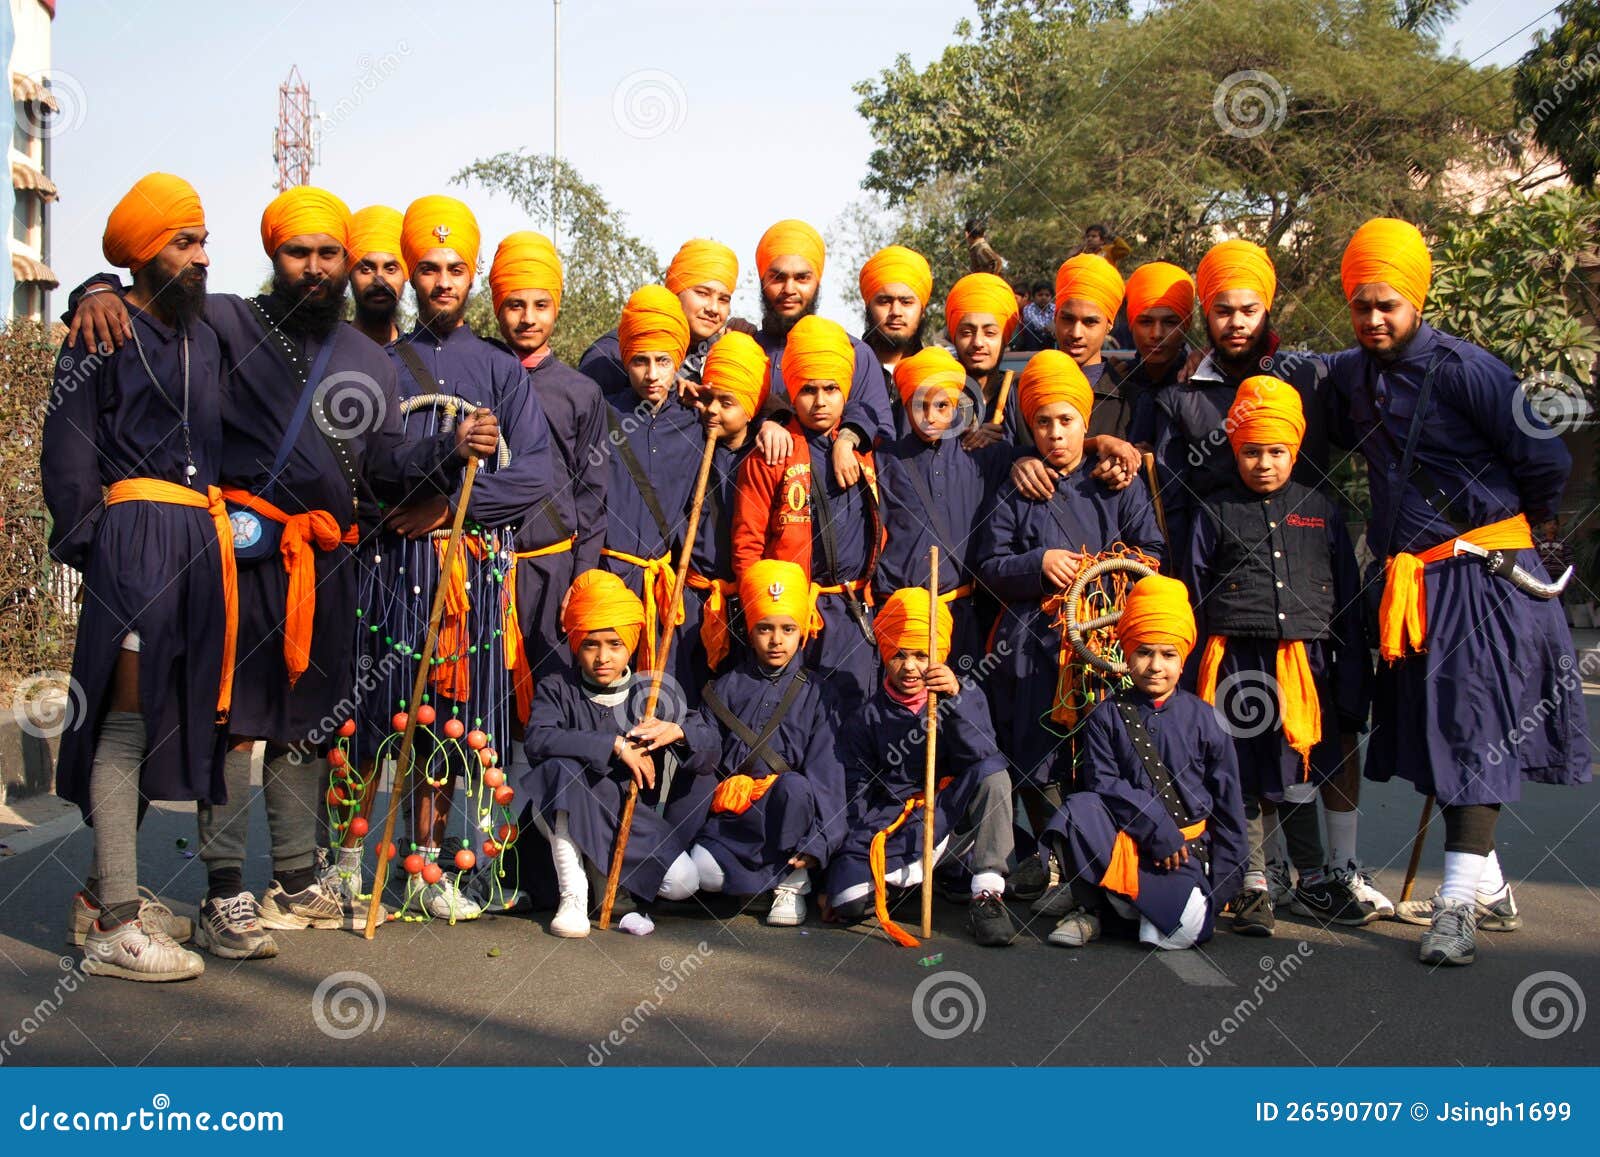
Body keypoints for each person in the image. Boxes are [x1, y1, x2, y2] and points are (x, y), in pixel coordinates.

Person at [64, 185, 492, 957]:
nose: (318, 269)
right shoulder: (225, 318)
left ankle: (294, 882)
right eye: (301, 253)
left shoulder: (372, 357)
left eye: (331, 254)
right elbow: (147, 299)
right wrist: (93, 287)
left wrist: (451, 446)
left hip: (325, 562)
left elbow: (389, 462)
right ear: (273, 255)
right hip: (231, 555)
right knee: (231, 721)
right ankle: (224, 891)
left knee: (306, 725)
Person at [1327, 217, 1591, 966]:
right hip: (1413, 588)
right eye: (1361, 306)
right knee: (1435, 736)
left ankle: (1455, 907)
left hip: (1483, 581)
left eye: (1387, 305)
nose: (1374, 319)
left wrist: (1507, 529)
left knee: (1472, 734)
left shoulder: (1473, 370)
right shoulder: (1355, 373)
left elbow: (1544, 461)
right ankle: (1494, 887)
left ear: (1415, 299)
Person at [356, 196, 556, 923]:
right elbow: (370, 464)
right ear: (411, 274)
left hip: (471, 571)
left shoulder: (502, 369)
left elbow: (537, 474)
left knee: (456, 717)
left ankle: (440, 864)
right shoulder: (376, 363)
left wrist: (451, 509)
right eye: (430, 268)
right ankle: (355, 865)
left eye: (457, 269)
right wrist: (443, 453)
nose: (444, 281)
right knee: (388, 717)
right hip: (394, 571)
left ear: (474, 276)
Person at [45, 173, 224, 981]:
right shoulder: (97, 331)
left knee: (164, 716)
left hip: (198, 536)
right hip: (136, 537)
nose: (200, 255)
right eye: (184, 242)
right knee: (126, 712)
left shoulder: (208, 333)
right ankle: (115, 926)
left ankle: (101, 890)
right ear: (146, 250)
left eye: (202, 239)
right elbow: (68, 452)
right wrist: (103, 543)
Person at [1184, 377, 1378, 936]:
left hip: (1303, 668)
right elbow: (1193, 594)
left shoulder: (1321, 511)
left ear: (1294, 450)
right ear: (1234, 449)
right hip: (1233, 664)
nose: (1263, 463)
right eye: (1251, 451)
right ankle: (1253, 884)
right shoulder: (1215, 511)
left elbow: (1344, 596)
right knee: (1240, 771)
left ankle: (1312, 877)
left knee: (1297, 766)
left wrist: (1347, 676)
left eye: (1276, 452)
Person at [977, 351, 1164, 905]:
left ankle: (1102, 857)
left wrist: (1106, 579)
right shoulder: (1017, 487)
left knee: (1102, 748)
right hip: (1032, 645)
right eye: (1043, 422)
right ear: (1028, 425)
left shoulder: (1117, 483)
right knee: (1037, 750)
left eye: (1067, 421)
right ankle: (1052, 854)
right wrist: (1037, 564)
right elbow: (988, 566)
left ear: (1088, 423)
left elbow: (1150, 553)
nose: (1056, 434)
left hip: (1104, 647)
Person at [1040, 575, 1247, 950]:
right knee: (1079, 808)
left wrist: (1220, 890)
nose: (1155, 666)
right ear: (1127, 654)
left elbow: (1230, 808)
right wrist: (1155, 830)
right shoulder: (1106, 716)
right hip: (1130, 842)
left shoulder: (1207, 719)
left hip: (1184, 855)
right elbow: (1104, 785)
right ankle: (1093, 909)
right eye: (1144, 652)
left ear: (1183, 661)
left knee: (1166, 935)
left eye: (1168, 655)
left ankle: (1125, 910)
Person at [517, 570, 717, 938]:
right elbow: (538, 740)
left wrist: (679, 730)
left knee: (683, 882)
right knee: (560, 769)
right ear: (576, 643)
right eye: (591, 644)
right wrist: (614, 745)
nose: (602, 657)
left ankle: (605, 878)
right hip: (563, 809)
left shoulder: (652, 692)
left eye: (614, 643)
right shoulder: (557, 686)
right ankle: (574, 894)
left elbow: (710, 747)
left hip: (624, 817)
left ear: (630, 642)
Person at [826, 587, 1018, 947]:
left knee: (993, 774)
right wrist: (848, 847)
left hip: (951, 813)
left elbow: (980, 754)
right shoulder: (866, 717)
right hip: (897, 821)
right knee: (846, 900)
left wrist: (955, 699)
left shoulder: (964, 693)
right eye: (899, 655)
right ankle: (909, 880)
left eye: (921, 655)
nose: (910, 666)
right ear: (886, 655)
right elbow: (856, 791)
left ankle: (987, 892)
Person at [682, 560, 846, 926]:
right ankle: (754, 883)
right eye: (765, 629)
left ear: (801, 630)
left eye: (788, 629)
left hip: (792, 815)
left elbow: (828, 778)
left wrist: (819, 843)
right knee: (698, 877)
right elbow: (707, 750)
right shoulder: (723, 686)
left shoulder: (820, 694)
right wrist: (684, 734)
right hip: (736, 820)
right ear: (749, 629)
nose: (776, 640)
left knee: (797, 787)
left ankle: (792, 883)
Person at [733, 316, 885, 704]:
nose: (820, 401)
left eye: (831, 389)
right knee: (792, 717)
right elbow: (747, 545)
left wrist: (849, 438)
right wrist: (768, 612)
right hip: (790, 615)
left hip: (853, 610)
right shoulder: (771, 453)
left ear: (845, 391)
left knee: (850, 719)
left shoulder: (866, 449)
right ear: (791, 392)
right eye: (808, 390)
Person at [1150, 239, 1333, 554]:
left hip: (1308, 566)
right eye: (1223, 311)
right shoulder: (1180, 399)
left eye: (1249, 311)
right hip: (1218, 573)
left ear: (1266, 310)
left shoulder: (1308, 379)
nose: (1237, 323)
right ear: (1206, 314)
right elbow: (1173, 503)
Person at [487, 230, 609, 690]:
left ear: (556, 306)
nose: (527, 319)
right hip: (484, 565)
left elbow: (593, 493)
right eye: (515, 305)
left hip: (554, 568)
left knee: (552, 690)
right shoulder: (480, 376)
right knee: (482, 691)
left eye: (540, 305)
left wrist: (581, 577)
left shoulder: (580, 392)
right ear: (498, 306)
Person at [597, 284, 708, 700]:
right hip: (611, 582)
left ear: (679, 360)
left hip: (669, 590)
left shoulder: (697, 425)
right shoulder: (602, 414)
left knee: (667, 702)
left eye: (663, 361)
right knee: (610, 698)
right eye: (640, 361)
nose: (652, 374)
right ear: (626, 361)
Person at [875, 347, 1009, 666]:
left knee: (960, 706)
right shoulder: (883, 461)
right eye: (920, 405)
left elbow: (1044, 458)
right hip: (900, 617)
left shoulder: (981, 458)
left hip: (960, 616)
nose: (931, 416)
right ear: (905, 405)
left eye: (941, 405)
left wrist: (1098, 441)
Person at [750, 219, 896, 488]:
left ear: (817, 282)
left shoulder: (854, 354)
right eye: (778, 277)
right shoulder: (744, 352)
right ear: (762, 280)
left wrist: (846, 438)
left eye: (802, 278)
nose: (790, 289)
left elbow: (881, 433)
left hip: (840, 509)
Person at [685, 331, 770, 677]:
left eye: (728, 402)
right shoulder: (689, 441)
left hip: (748, 600)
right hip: (691, 594)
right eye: (709, 399)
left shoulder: (766, 455)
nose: (713, 411)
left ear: (751, 410)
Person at [580, 238, 742, 391]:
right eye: (702, 293)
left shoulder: (707, 353)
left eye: (723, 299)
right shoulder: (610, 355)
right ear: (674, 292)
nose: (713, 308)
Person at [1117, 261, 1195, 451]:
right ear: (1131, 324)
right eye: (1145, 322)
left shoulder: (1200, 385)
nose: (1157, 334)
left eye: (1170, 322)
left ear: (1186, 325)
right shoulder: (1119, 381)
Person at [858, 244, 932, 433]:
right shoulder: (846, 368)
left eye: (906, 302)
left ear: (922, 311)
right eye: (885, 301)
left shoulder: (939, 375)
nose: (896, 312)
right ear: (868, 307)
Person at [944, 272, 1022, 449]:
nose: (978, 342)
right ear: (954, 337)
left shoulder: (1021, 396)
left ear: (1005, 338)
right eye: (966, 333)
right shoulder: (938, 396)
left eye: (990, 333)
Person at [346, 204, 406, 347]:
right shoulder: (325, 354)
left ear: (405, 275)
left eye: (390, 269)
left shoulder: (419, 359)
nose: (379, 281)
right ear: (349, 274)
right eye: (366, 269)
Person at [1019, 280, 1055, 351]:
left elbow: (1055, 324)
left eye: (1047, 295)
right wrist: (1048, 327)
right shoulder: (1028, 308)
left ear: (1051, 297)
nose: (1043, 298)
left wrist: (1053, 327)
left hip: (1051, 339)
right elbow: (1035, 323)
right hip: (1035, 341)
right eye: (1040, 295)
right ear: (1034, 297)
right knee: (1028, 327)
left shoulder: (1055, 308)